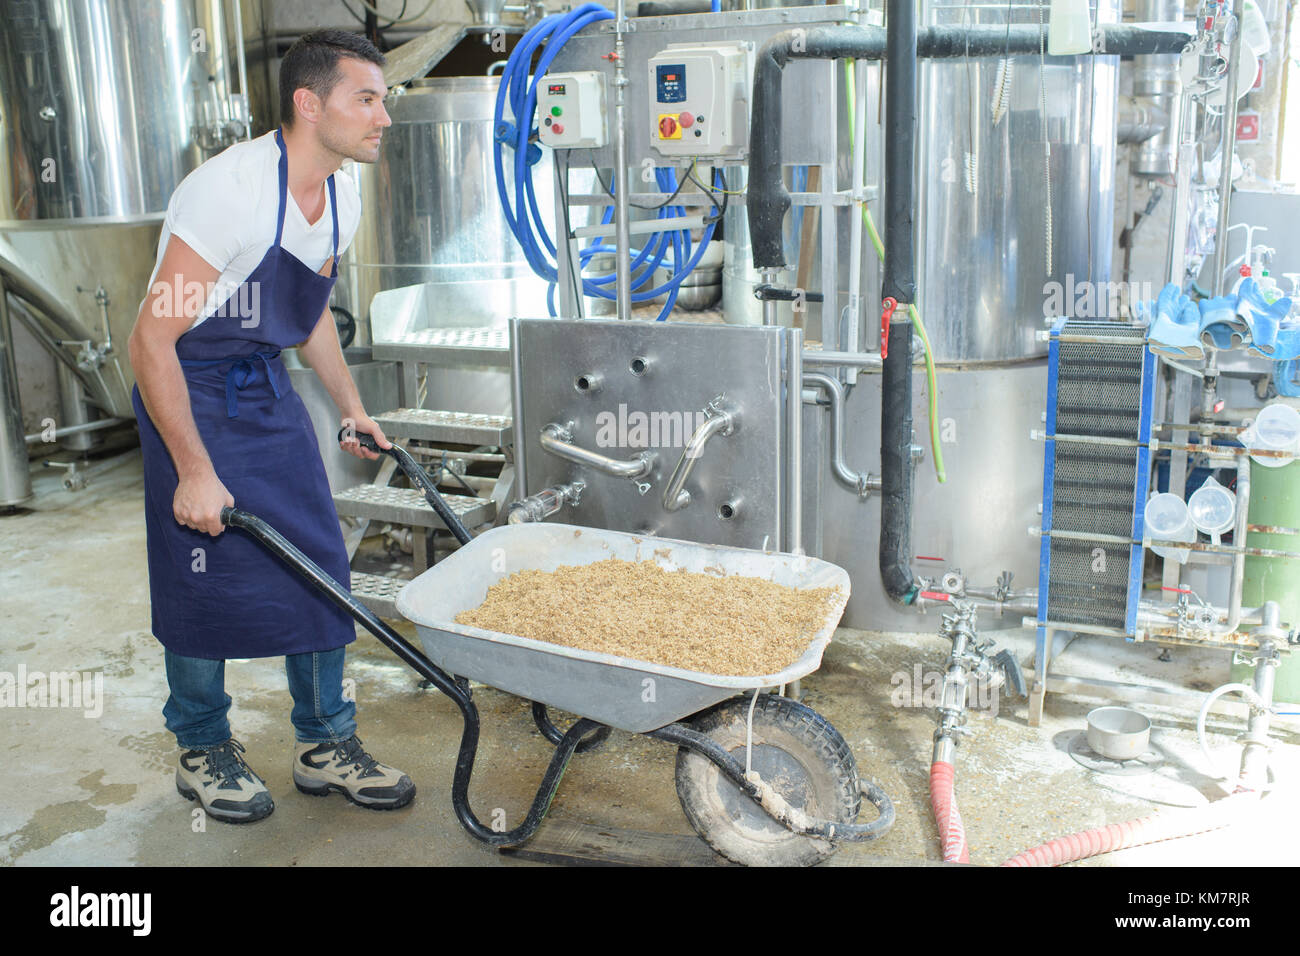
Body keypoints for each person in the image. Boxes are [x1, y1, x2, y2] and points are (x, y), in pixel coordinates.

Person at [128, 30, 412, 824]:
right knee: (199, 575)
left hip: (264, 385)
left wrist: (352, 406)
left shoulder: (340, 194)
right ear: (309, 103)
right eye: (367, 98)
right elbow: (151, 341)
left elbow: (307, 313)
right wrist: (193, 468)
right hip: (190, 387)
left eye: (382, 98)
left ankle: (325, 740)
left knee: (319, 560)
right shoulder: (230, 194)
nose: (382, 116)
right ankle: (203, 746)